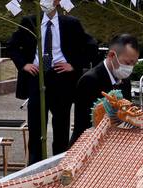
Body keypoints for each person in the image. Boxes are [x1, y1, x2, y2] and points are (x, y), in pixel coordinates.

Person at [8, 0, 92, 166]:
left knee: (61, 127)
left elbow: (90, 47)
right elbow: (12, 46)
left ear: (58, 2)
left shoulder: (71, 23)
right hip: (37, 77)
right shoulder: (29, 22)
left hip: (61, 78)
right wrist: (24, 64)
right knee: (36, 127)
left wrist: (73, 64)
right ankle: (34, 166)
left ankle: (59, 165)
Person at [72, 33, 139, 143]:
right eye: (127, 63)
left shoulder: (125, 80)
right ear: (112, 56)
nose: (130, 68)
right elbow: (85, 124)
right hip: (89, 144)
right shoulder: (89, 80)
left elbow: (126, 113)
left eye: (134, 63)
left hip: (114, 142)